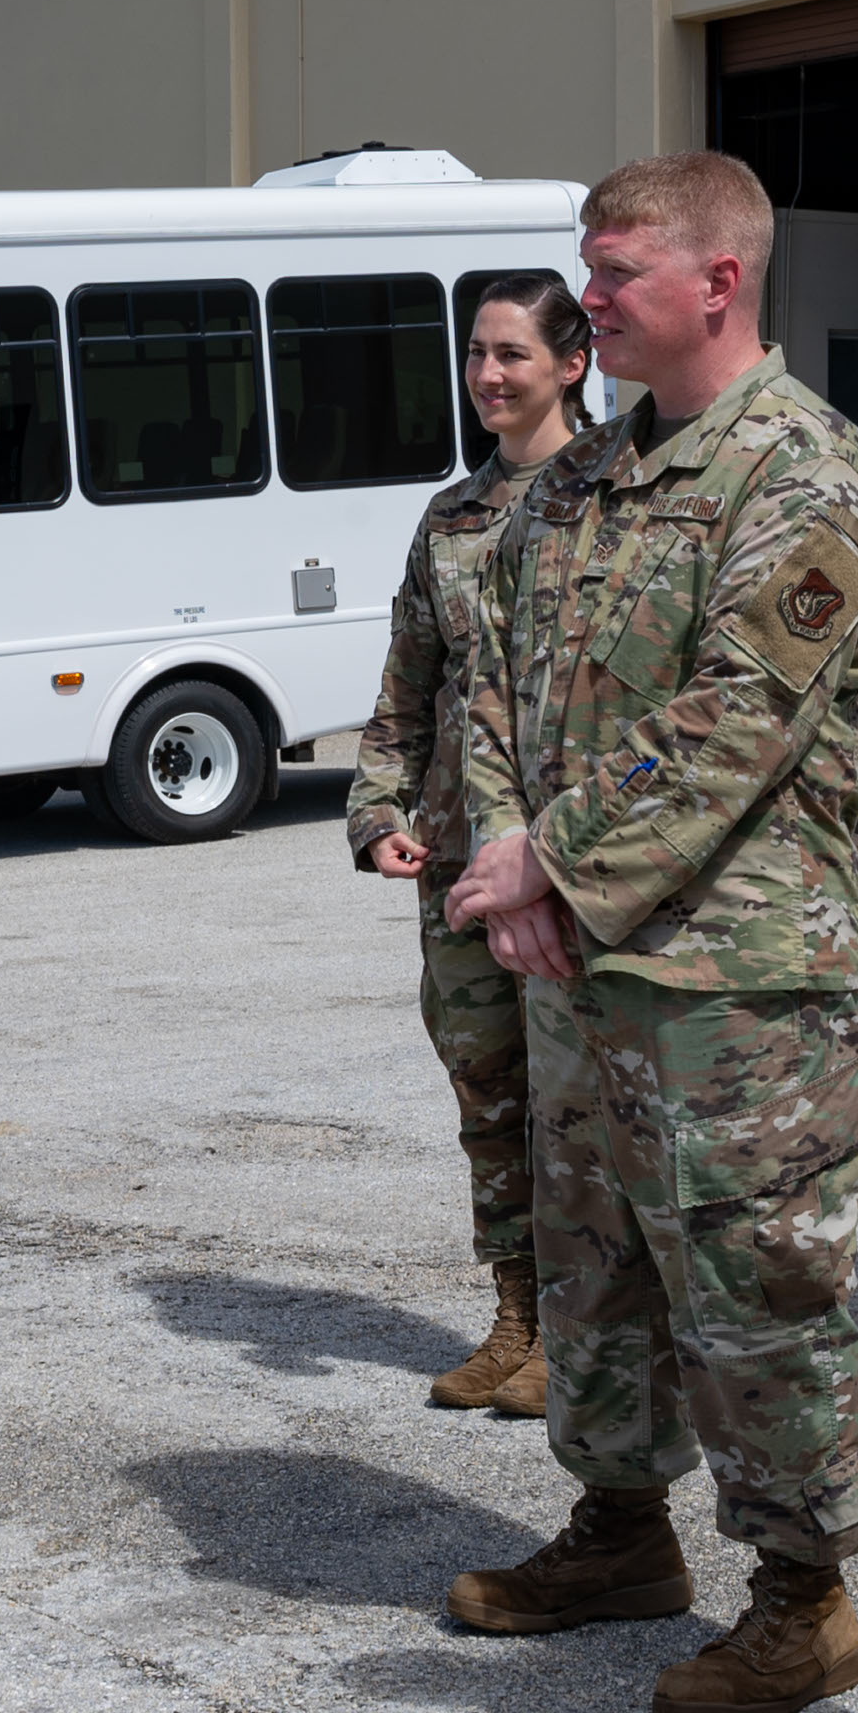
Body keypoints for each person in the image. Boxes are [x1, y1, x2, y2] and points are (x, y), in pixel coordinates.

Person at [440, 150, 858, 1713]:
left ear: (717, 280)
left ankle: (800, 1601)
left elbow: (734, 721)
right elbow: (490, 678)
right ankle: (620, 1531)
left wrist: (546, 871)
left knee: (752, 1285)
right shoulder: (570, 485)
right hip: (580, 967)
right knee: (595, 1271)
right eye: (584, 269)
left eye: (617, 272)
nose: (587, 301)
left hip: (734, 984)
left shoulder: (810, 477)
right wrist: (515, 862)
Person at [347, 276, 599, 1418]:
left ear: (570, 362)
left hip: (563, 862)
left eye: (511, 354)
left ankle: (584, 1336)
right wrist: (376, 815)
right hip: (455, 866)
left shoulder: (611, 496)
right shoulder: (448, 517)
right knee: (487, 1099)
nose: (488, 376)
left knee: (571, 1108)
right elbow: (405, 692)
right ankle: (518, 1318)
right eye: (474, 355)